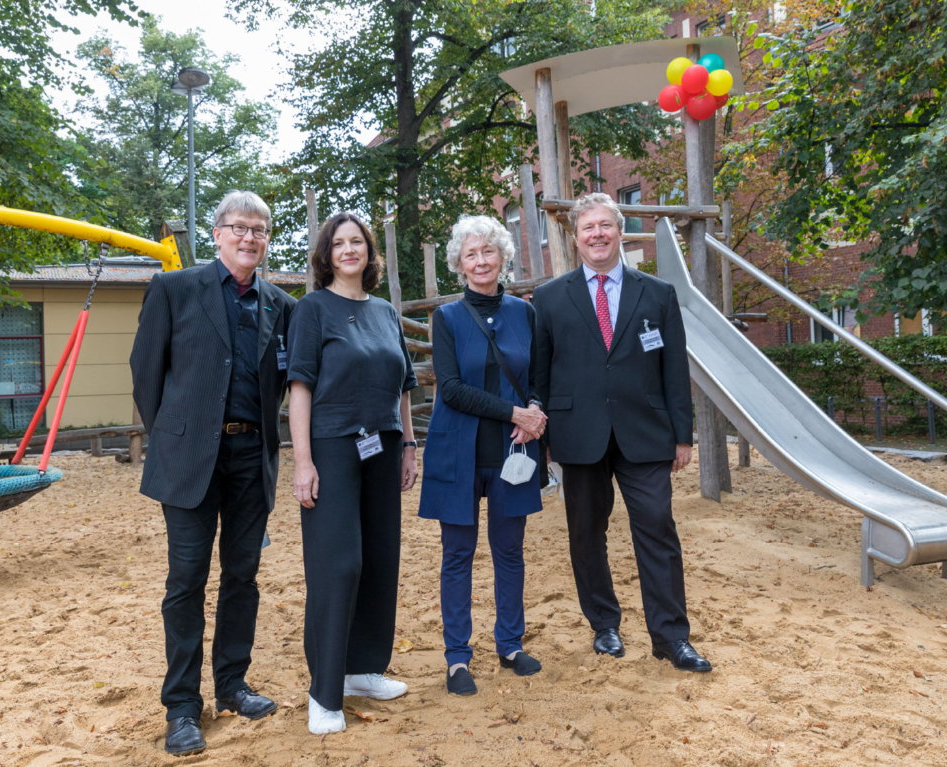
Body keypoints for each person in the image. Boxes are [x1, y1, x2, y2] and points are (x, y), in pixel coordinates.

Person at [130, 190, 297, 756]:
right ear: (219, 233)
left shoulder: (280, 304)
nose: (249, 238)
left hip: (254, 456)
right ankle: (181, 705)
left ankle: (231, 685)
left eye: (259, 230)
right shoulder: (174, 290)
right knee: (186, 582)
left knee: (242, 577)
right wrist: (176, 435)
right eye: (239, 228)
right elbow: (146, 372)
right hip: (190, 459)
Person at [533, 193, 711, 672]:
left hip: (646, 433)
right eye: (588, 227)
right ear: (576, 237)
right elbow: (540, 373)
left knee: (657, 527)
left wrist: (683, 435)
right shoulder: (549, 298)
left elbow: (674, 369)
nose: (597, 235)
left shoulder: (657, 293)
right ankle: (604, 625)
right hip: (577, 433)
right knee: (586, 534)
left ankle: (671, 637)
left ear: (619, 230)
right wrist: (545, 435)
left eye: (605, 226)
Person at [286, 212, 419, 734]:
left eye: (356, 241)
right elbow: (299, 388)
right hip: (333, 447)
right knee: (338, 564)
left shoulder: (386, 312)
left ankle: (363, 669)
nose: (348, 250)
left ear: (368, 252)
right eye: (338, 243)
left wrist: (408, 444)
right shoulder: (312, 310)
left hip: (383, 447)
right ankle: (325, 690)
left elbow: (403, 386)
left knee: (380, 560)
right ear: (326, 254)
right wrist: (302, 461)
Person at [419, 215, 547, 696]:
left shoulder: (524, 313)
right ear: (459, 263)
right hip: (460, 452)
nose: (480, 261)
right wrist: (516, 411)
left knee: (510, 551)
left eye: (488, 252)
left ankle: (510, 644)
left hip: (513, 453)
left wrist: (534, 408)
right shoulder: (447, 319)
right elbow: (450, 389)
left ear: (502, 257)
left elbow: (538, 374)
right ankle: (457, 658)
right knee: (458, 555)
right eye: (470, 254)